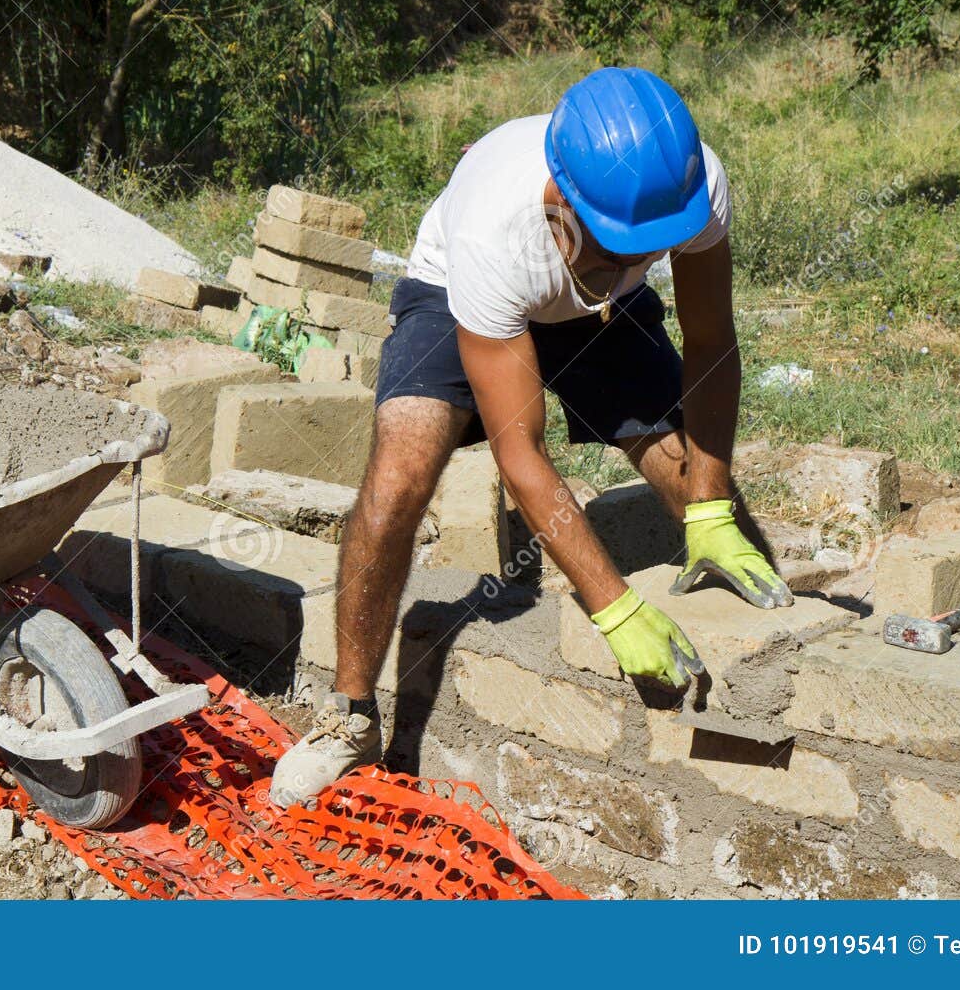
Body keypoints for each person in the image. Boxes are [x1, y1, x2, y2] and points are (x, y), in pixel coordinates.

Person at [269, 66, 791, 808]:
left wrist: (709, 509)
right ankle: (348, 717)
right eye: (618, 256)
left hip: (588, 318)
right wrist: (614, 608)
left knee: (700, 485)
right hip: (460, 304)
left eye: (650, 256)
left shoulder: (687, 183)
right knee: (397, 481)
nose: (638, 269)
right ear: (559, 210)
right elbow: (522, 453)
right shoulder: (495, 229)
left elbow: (711, 342)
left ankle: (746, 667)